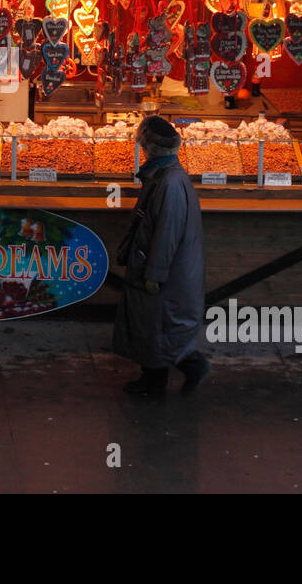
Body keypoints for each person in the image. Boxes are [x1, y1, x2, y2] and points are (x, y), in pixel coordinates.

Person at [112, 115, 208, 397]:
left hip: (165, 269)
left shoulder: (169, 184)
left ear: (149, 146)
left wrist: (155, 274)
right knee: (152, 324)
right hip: (161, 265)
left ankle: (189, 368)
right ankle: (153, 378)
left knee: (157, 324)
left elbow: (166, 234)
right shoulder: (164, 175)